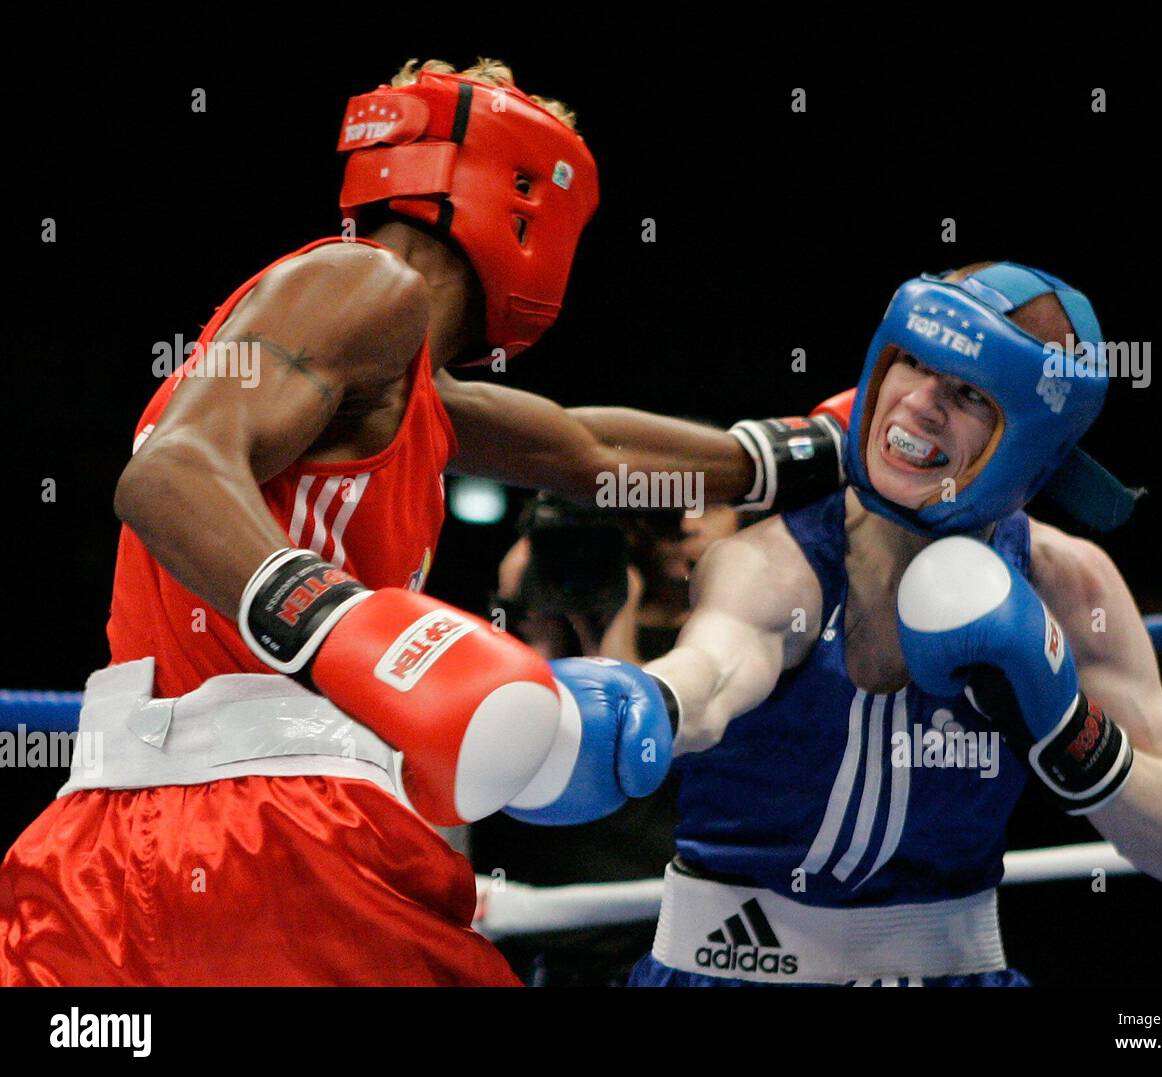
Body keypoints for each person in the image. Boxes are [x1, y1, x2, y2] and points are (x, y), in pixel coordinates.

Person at [0, 58, 839, 986]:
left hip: (106, 844)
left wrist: (816, 446)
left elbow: (593, 456)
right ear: (525, 205)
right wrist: (340, 622)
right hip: (270, 835)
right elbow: (165, 473)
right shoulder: (367, 286)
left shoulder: (405, 384)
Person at [618, 261, 1162, 987]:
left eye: (967, 392)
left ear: (1032, 444)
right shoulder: (777, 560)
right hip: (728, 969)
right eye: (911, 361)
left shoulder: (1065, 584)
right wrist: (637, 705)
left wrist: (1066, 730)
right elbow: (710, 674)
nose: (916, 403)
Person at [473, 496, 740, 985]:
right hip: (553, 924)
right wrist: (525, 611)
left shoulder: (736, 644)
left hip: (675, 930)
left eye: (709, 505)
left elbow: (654, 744)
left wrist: (615, 627)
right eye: (678, 513)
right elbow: (500, 746)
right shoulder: (565, 629)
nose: (688, 524)